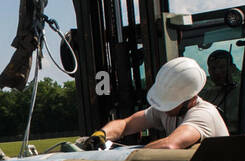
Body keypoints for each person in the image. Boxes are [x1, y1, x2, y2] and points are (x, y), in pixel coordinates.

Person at [79, 57, 228, 151]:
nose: (164, 108)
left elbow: (170, 145)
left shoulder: (203, 114)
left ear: (190, 99)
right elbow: (127, 124)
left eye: (169, 103)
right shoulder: (166, 110)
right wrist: (102, 134)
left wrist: (126, 157)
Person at [203, 49, 245, 131]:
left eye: (222, 67)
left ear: (232, 68)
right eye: (213, 68)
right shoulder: (205, 97)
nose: (217, 72)